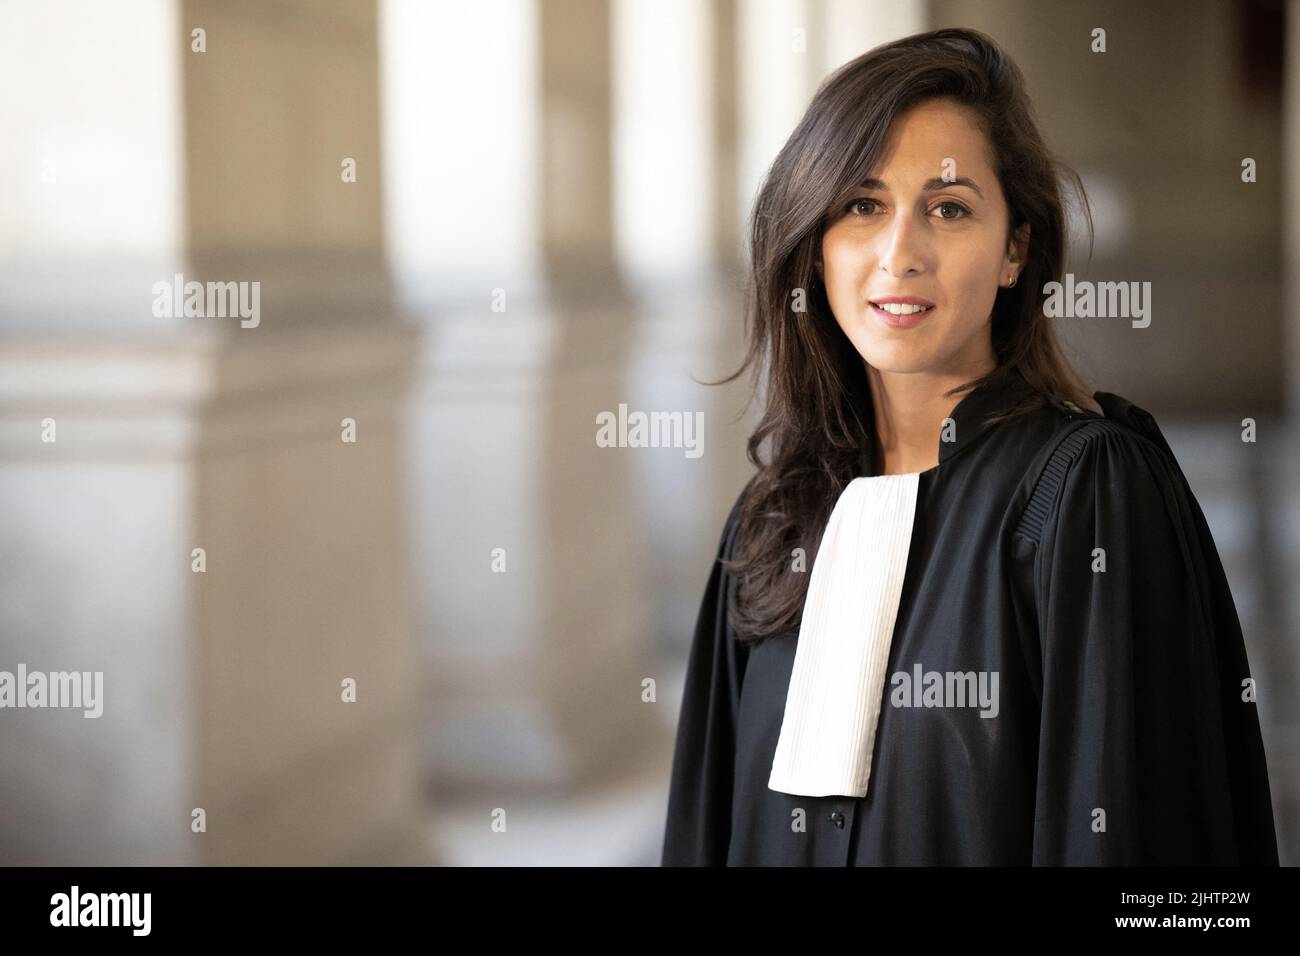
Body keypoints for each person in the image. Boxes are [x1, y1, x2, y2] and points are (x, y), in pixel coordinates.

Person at [661, 27, 1279, 866]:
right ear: (816, 242)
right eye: (861, 206)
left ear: (1014, 250)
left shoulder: (1087, 494)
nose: (899, 254)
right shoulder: (772, 522)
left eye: (948, 209)